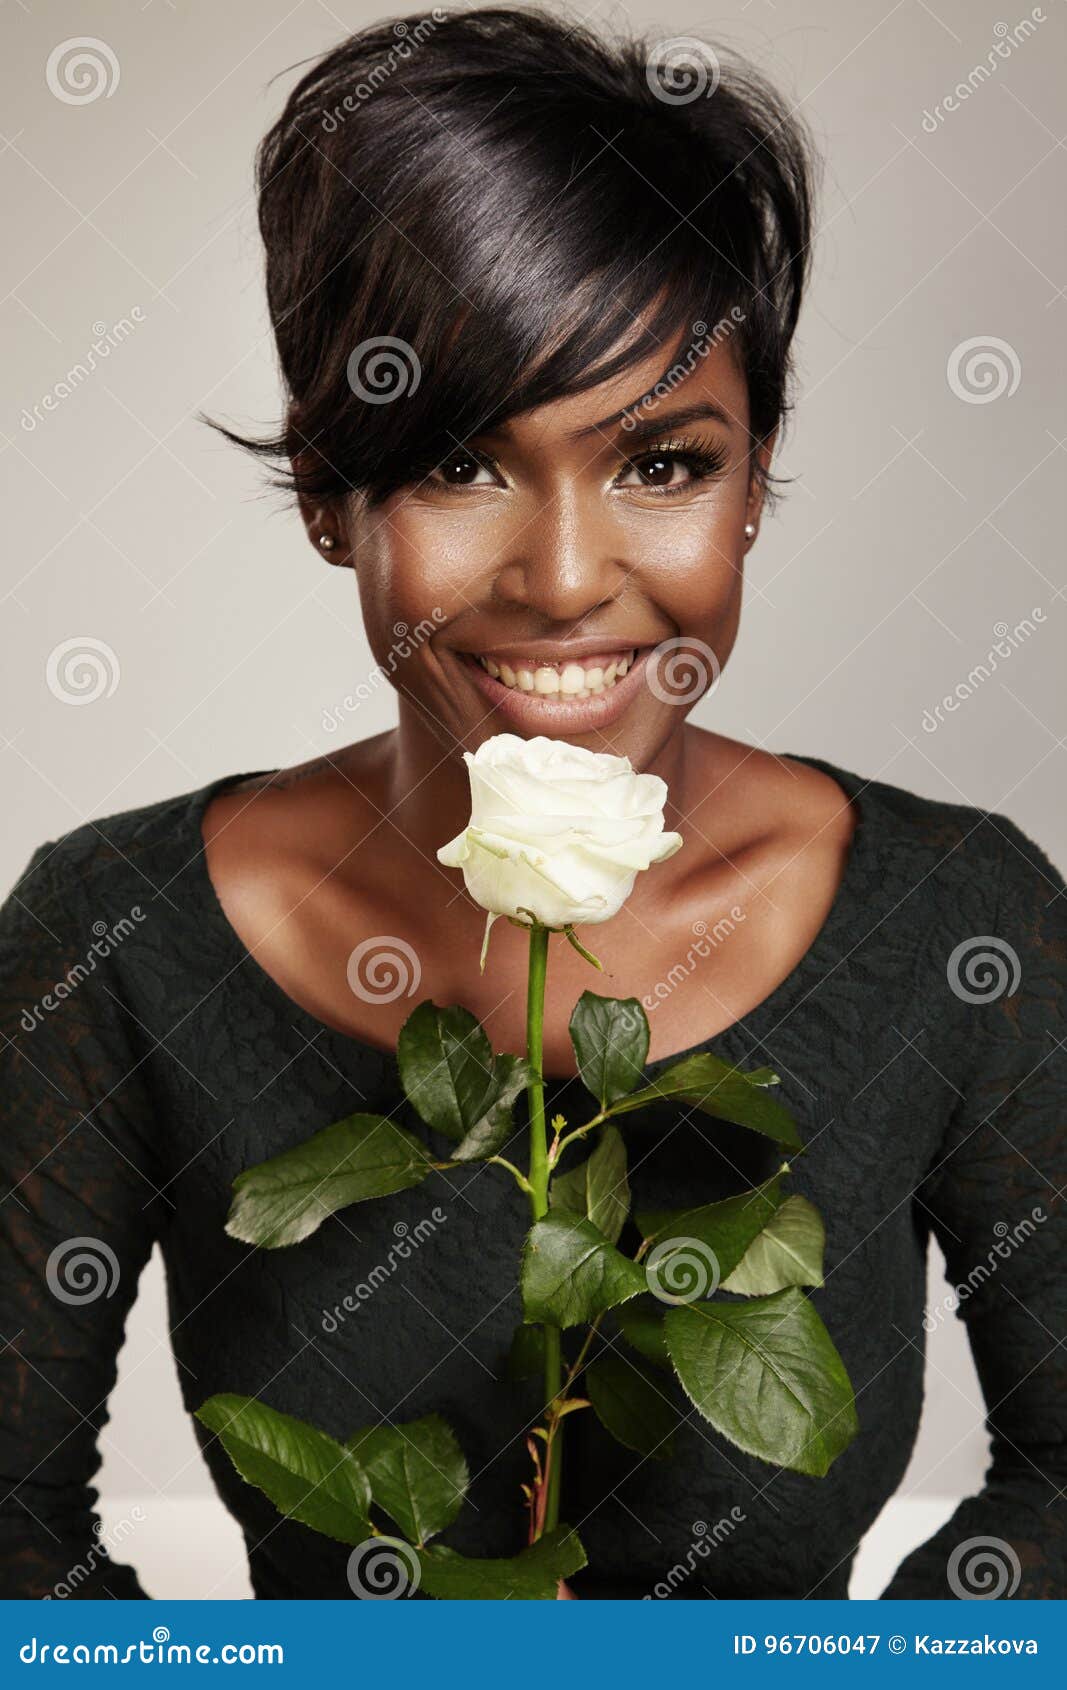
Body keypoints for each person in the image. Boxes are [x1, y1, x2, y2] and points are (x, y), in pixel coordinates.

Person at [1, 5, 1063, 1600]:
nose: (569, 583)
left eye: (663, 464)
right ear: (325, 495)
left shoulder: (959, 921)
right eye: (456, 462)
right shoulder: (116, 934)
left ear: (758, 478)